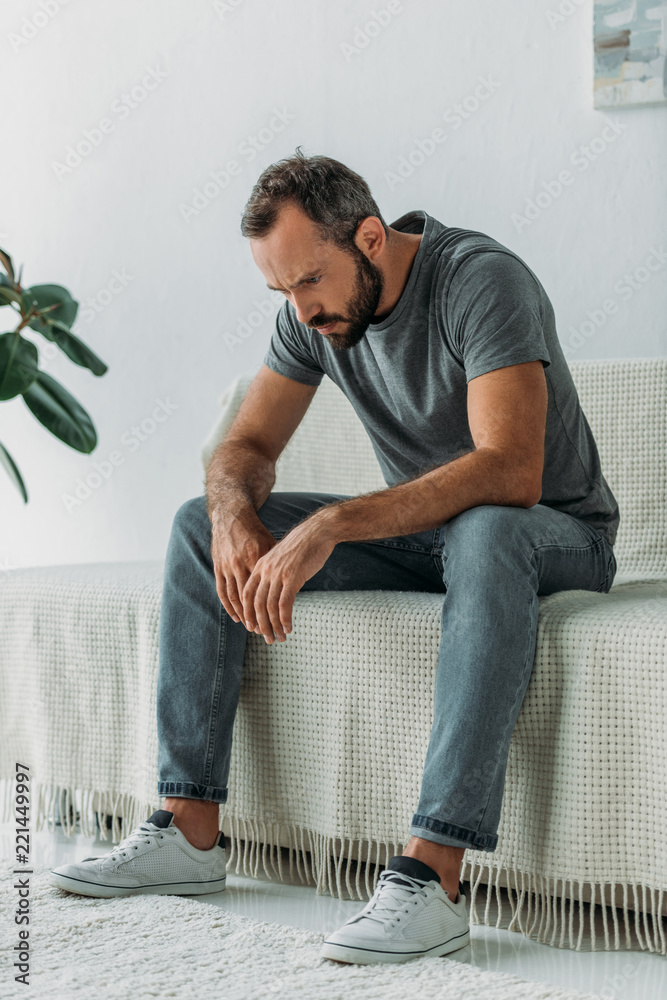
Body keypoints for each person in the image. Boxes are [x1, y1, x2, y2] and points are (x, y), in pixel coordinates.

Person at [50, 148, 619, 966]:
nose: (299, 306)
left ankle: (432, 879)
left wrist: (333, 524)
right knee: (193, 525)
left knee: (487, 526)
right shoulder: (309, 315)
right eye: (281, 290)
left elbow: (511, 470)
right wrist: (235, 511)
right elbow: (244, 444)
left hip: (551, 533)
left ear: (369, 239)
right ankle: (189, 833)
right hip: (430, 536)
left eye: (309, 280)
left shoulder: (479, 281)